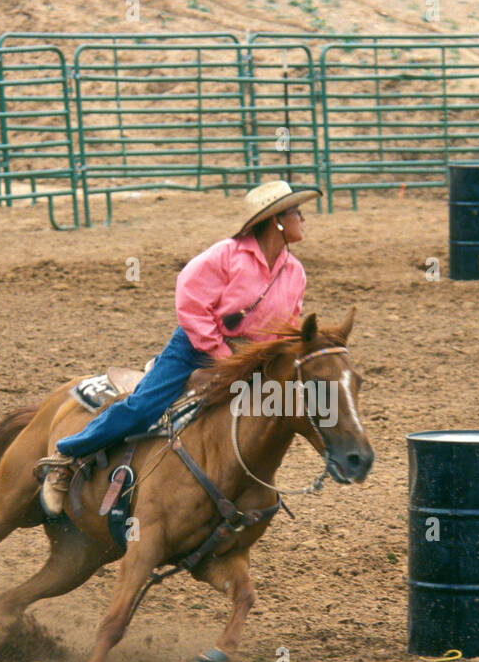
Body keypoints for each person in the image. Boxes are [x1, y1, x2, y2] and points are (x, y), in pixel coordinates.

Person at [38, 180, 321, 515]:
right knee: (142, 407)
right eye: (296, 212)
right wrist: (222, 354)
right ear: (276, 220)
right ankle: (65, 457)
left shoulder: (295, 273)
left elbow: (287, 325)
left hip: (251, 357)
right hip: (197, 346)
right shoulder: (226, 256)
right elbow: (191, 300)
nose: (303, 219)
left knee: (280, 413)